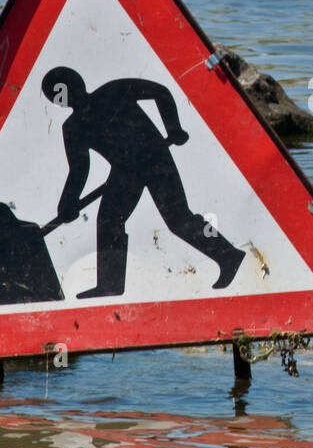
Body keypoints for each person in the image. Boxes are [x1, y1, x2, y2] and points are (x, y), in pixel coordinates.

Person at [41, 66, 245, 297]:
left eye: (64, 89)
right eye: (57, 95)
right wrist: (68, 201)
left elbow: (161, 92)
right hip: (125, 172)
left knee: (178, 218)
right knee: (108, 221)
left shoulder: (113, 91)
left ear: (78, 83)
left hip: (155, 157)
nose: (64, 97)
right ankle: (110, 284)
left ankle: (228, 254)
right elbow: (79, 169)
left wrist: (173, 127)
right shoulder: (72, 127)